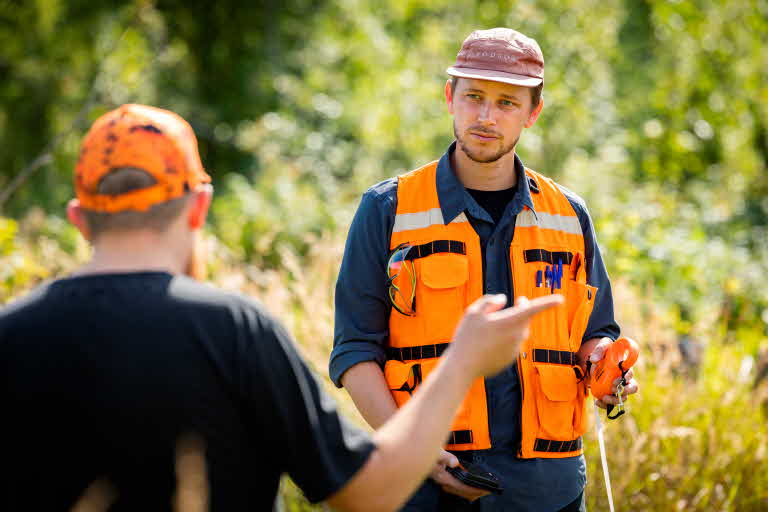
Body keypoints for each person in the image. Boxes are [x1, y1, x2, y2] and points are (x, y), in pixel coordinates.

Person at [0, 104, 563, 512]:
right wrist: (463, 362)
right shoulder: (235, 332)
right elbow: (369, 492)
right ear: (199, 206)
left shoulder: (13, 336)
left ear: (78, 219)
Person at [329, 28, 639, 511]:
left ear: (533, 112)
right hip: (422, 489)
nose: (486, 117)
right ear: (449, 97)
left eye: (507, 103)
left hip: (547, 492)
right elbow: (354, 352)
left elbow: (595, 333)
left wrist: (606, 367)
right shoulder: (386, 209)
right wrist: (415, 451)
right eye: (473, 96)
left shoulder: (569, 215)